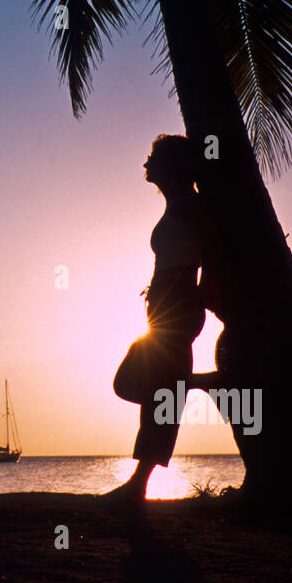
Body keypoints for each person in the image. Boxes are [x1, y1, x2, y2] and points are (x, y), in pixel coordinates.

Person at [105, 134, 222, 507]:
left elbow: (214, 249)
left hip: (179, 308)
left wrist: (201, 290)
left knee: (152, 392)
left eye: (153, 157)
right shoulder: (177, 206)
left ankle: (137, 485)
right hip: (164, 309)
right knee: (146, 389)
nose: (146, 164)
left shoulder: (190, 205)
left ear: (171, 166)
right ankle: (195, 384)